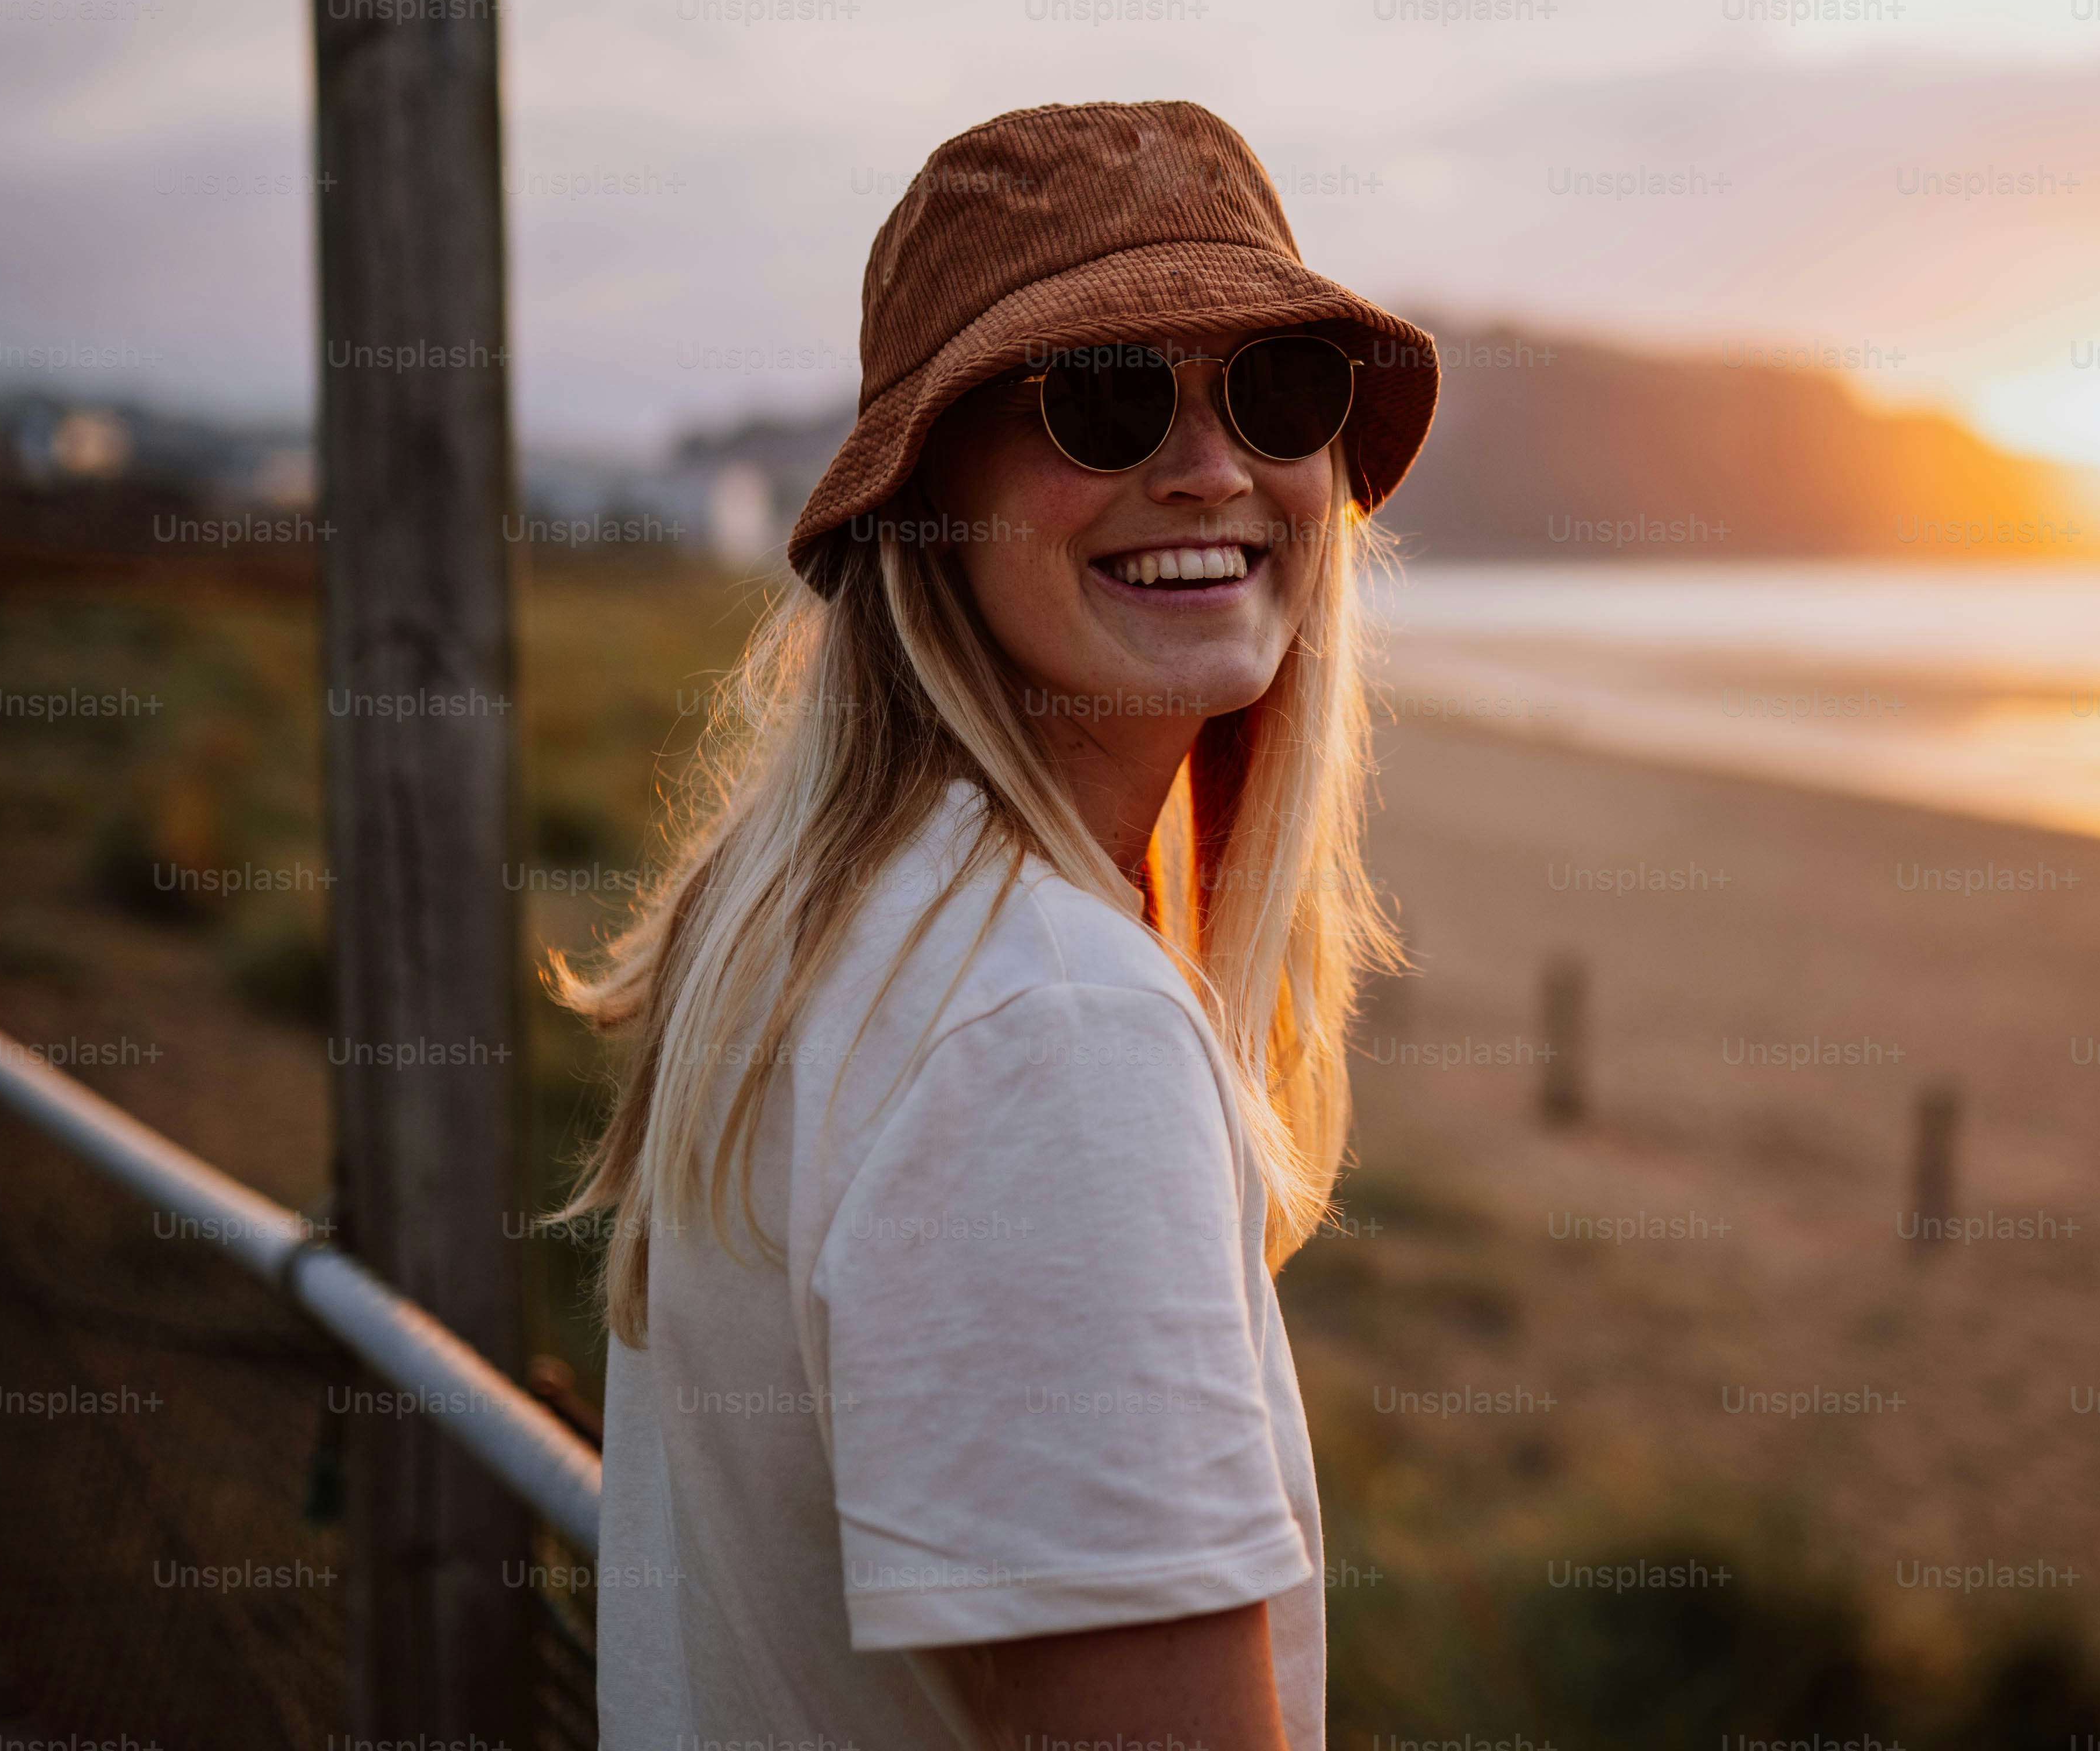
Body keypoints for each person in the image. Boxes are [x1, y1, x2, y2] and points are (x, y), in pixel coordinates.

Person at [547, 102, 1437, 1751]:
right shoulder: (1048, 1029)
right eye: (1099, 397)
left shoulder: (818, 915)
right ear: (924, 501)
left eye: (1276, 388)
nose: (1212, 467)